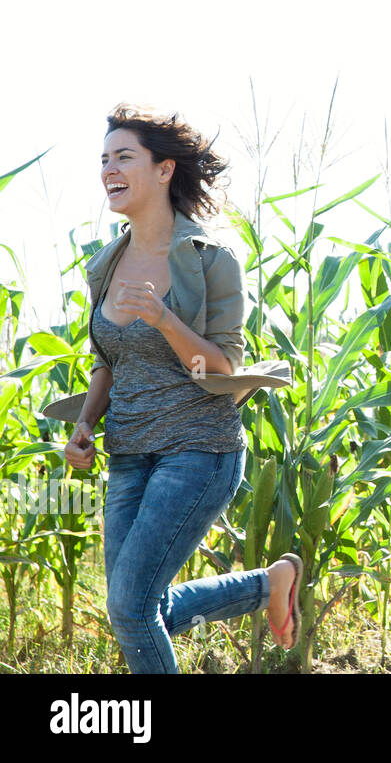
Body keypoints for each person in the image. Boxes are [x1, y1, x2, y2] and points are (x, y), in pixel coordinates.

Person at [63, 103, 300, 673]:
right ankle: (268, 586)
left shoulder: (211, 259)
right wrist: (85, 424)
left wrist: (165, 319)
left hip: (198, 449)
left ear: (164, 169)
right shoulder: (106, 264)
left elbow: (224, 371)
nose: (109, 170)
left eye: (125, 157)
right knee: (144, 608)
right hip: (129, 455)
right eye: (104, 160)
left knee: (130, 605)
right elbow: (106, 362)